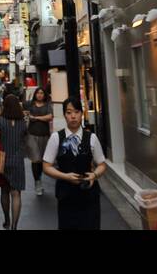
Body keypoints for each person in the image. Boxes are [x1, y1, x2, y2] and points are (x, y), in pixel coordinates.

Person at [42, 97, 108, 230]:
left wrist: (94, 175)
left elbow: (102, 164)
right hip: (66, 195)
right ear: (64, 115)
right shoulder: (56, 138)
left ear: (81, 113)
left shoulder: (91, 138)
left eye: (76, 112)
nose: (73, 116)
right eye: (69, 112)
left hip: (89, 195)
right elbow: (46, 166)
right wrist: (65, 176)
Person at [0, 94, 28, 229]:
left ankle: (7, 220)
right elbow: (25, 138)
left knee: (4, 191)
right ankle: (14, 226)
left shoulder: (0, 120)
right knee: (16, 194)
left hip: (2, 160)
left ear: (4, 106)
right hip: (17, 161)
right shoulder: (23, 122)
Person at [25, 87, 53, 196]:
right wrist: (40, 117)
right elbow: (26, 115)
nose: (40, 95)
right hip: (32, 135)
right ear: (35, 94)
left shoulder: (47, 105)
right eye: (38, 93)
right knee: (35, 159)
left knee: (41, 160)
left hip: (44, 136)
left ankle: (39, 178)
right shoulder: (30, 105)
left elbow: (49, 117)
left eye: (42, 93)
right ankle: (37, 182)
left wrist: (36, 118)